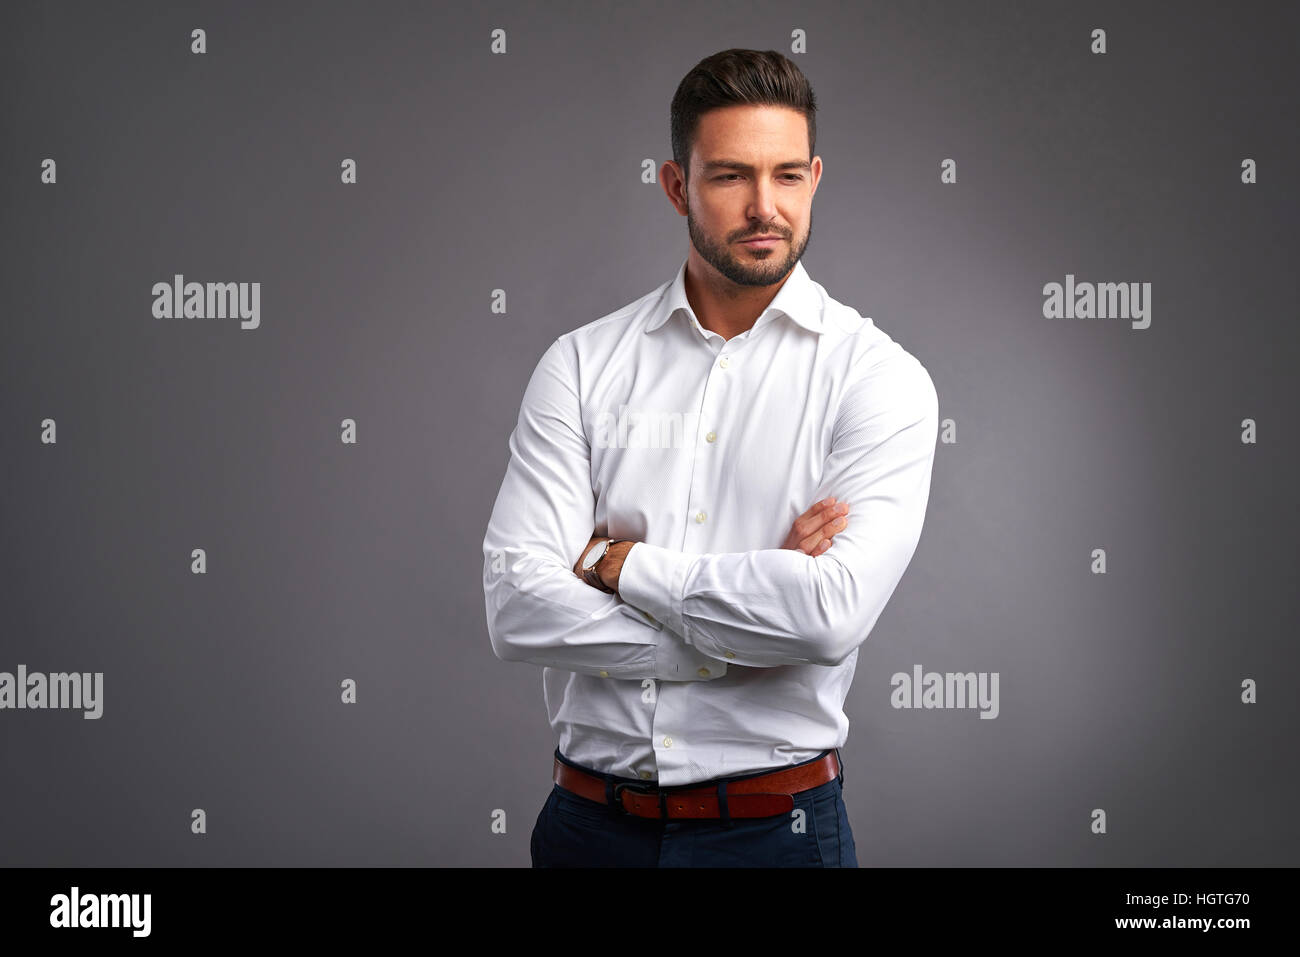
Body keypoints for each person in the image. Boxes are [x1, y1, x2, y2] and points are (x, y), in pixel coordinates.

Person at [481, 48, 939, 867]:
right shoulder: (581, 365)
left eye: (787, 175)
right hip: (588, 832)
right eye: (730, 176)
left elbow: (827, 615)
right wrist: (746, 619)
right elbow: (516, 605)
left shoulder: (878, 378)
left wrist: (616, 563)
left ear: (815, 178)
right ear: (676, 186)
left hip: (777, 836)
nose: (765, 206)